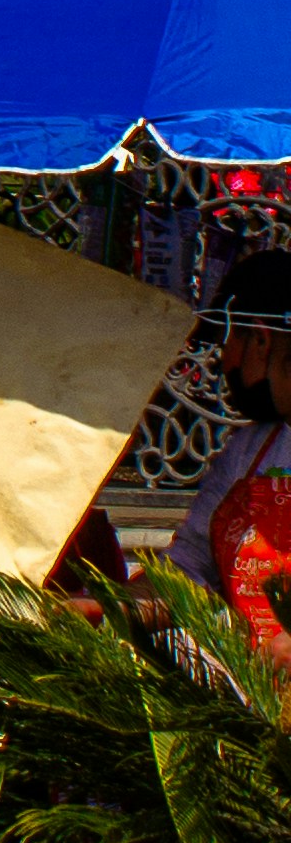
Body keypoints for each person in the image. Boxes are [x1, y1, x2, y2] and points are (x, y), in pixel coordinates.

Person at [167, 252, 291, 662]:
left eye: (230, 338)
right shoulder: (249, 450)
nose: (224, 360)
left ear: (260, 339)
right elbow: (190, 568)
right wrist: (109, 603)